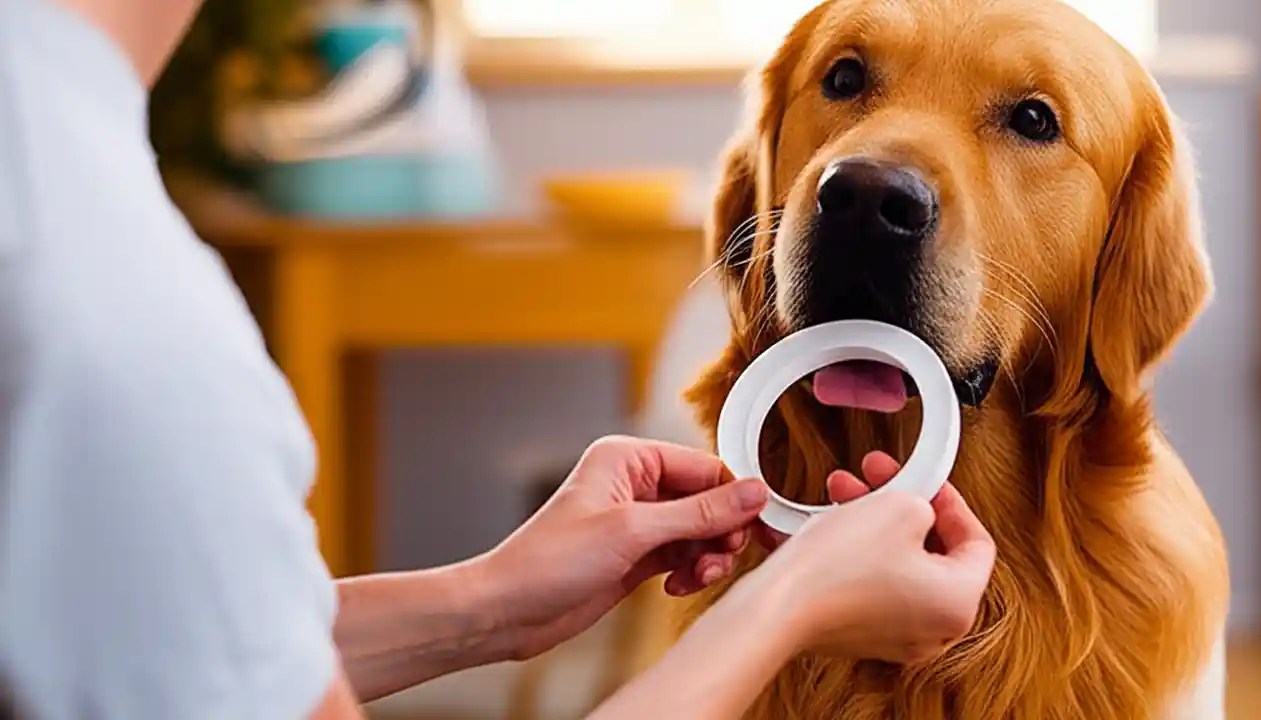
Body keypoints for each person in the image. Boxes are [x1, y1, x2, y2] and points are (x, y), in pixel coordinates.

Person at [0, 1, 997, 719]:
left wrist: (490, 603)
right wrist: (788, 608)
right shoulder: (112, 311)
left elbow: (173, 654)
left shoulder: (49, 149)